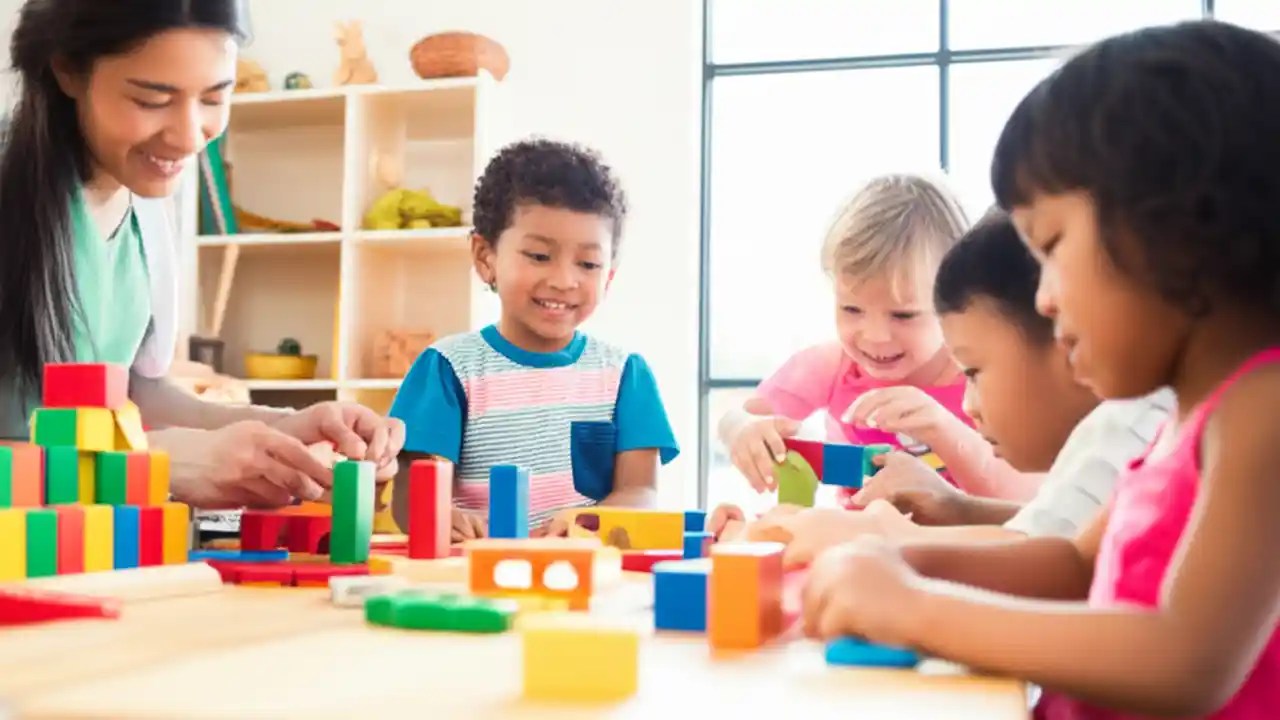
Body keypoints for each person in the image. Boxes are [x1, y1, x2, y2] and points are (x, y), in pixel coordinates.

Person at [801, 20, 1280, 719]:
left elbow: (1187, 659)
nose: (1046, 297)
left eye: (1053, 248)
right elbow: (1073, 565)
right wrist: (897, 559)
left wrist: (916, 608)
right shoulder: (1182, 422)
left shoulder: (1262, 409)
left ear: (1173, 231)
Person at [0, 0, 404, 510]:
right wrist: (154, 464)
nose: (190, 136)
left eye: (215, 98)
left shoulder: (144, 202)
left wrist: (288, 427)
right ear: (67, 71)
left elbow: (130, 396)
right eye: (152, 100)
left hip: (78, 555)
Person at [764, 210, 1171, 567]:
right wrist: (954, 507)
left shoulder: (1130, 427)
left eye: (973, 372)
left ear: (1065, 336)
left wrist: (882, 540)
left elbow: (1049, 559)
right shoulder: (1118, 428)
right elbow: (1059, 528)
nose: (967, 404)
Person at [389, 138, 679, 539]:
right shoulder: (447, 368)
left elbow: (640, 491)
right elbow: (414, 497)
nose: (564, 281)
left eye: (589, 263)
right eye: (539, 256)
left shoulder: (625, 374)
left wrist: (585, 523)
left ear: (608, 275)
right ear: (485, 257)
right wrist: (438, 517)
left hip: (581, 577)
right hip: (473, 576)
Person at [717, 174, 1039, 508]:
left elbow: (1029, 501)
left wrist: (944, 428)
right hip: (860, 547)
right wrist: (746, 430)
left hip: (965, 547)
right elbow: (736, 415)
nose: (875, 337)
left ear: (954, 301)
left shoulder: (979, 374)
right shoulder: (833, 364)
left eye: (903, 315)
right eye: (851, 309)